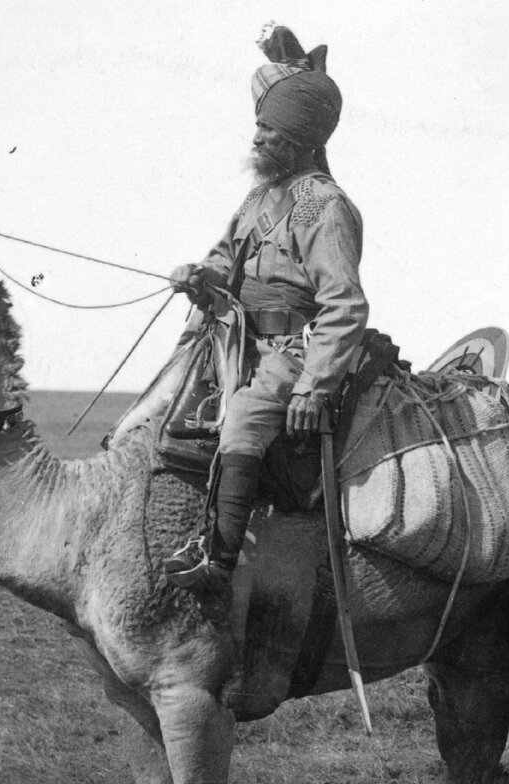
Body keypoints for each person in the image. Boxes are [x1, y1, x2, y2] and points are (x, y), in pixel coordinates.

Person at [162, 23, 369, 592]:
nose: (258, 140)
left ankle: (218, 562)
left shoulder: (325, 207)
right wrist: (198, 274)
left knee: (245, 419)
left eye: (272, 133)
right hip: (236, 338)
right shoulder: (257, 197)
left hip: (291, 350)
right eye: (258, 127)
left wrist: (313, 386)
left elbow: (345, 305)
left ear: (301, 143)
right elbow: (223, 256)